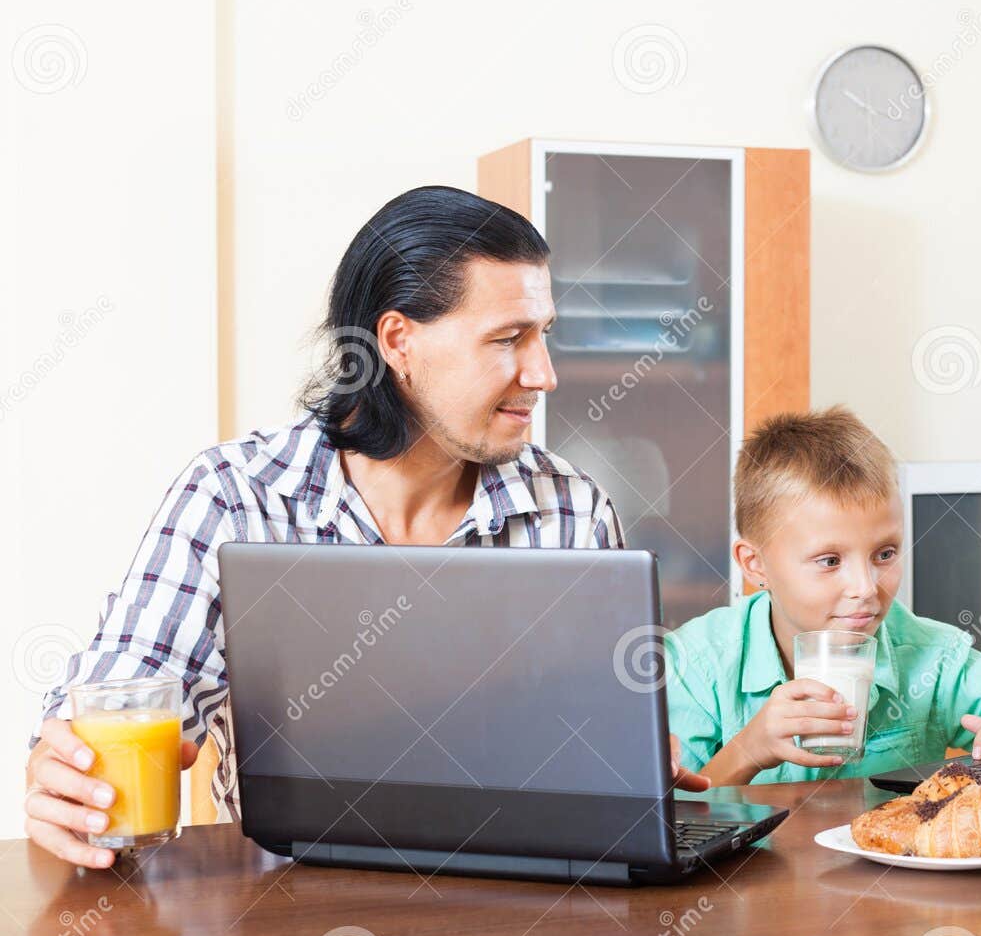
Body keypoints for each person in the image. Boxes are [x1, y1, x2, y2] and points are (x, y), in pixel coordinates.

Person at [25, 185, 705, 872]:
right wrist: (65, 772)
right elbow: (123, 690)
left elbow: (609, 740)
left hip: (530, 907)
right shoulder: (237, 498)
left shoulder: (572, 509)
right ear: (397, 341)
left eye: (543, 335)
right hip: (290, 917)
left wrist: (642, 757)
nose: (544, 373)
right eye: (507, 339)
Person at [664, 406, 981, 784]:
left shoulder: (936, 659)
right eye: (830, 560)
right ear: (755, 565)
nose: (866, 588)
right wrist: (748, 750)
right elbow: (672, 823)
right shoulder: (697, 668)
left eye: (884, 554)